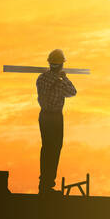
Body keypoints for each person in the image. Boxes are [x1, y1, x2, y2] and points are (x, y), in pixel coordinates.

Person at [36, 48, 76, 194]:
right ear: (61, 65)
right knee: (55, 149)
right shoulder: (60, 83)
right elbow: (73, 92)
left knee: (46, 148)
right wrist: (64, 77)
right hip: (55, 118)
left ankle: (44, 184)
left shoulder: (41, 78)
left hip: (44, 117)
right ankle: (48, 184)